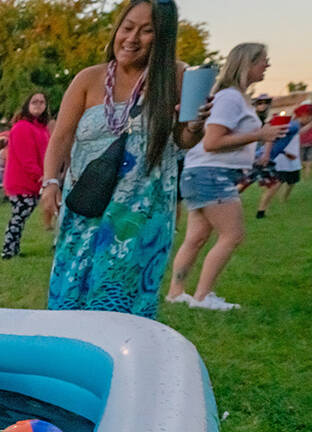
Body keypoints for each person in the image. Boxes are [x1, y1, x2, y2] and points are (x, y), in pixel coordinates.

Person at [42, 0, 209, 318]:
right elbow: (61, 137)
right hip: (86, 207)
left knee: (119, 304)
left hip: (141, 215)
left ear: (163, 37)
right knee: (69, 296)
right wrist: (50, 182)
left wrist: (196, 126)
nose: (132, 38)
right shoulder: (88, 80)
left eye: (147, 31)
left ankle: (119, 364)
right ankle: (67, 363)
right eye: (127, 27)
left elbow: (184, 140)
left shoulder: (176, 77)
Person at [165, 43, 279, 311]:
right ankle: (203, 297)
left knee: (196, 238)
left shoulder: (234, 97)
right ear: (247, 63)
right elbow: (212, 141)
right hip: (211, 173)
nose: (267, 66)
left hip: (201, 173)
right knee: (233, 234)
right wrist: (259, 135)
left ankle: (176, 293)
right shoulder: (231, 98)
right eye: (263, 60)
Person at [1, 92, 51, 259]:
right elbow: (26, 157)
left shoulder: (42, 128)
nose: (38, 105)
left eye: (42, 102)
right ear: (27, 105)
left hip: (34, 181)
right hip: (22, 181)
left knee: (21, 217)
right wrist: (40, 175)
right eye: (34, 102)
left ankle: (13, 248)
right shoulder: (22, 127)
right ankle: (8, 249)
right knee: (19, 216)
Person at [256, 102, 311, 217]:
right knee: (274, 184)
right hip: (278, 159)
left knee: (289, 181)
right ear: (304, 114)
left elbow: (298, 133)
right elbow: (273, 138)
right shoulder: (292, 125)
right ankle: (261, 211)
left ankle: (266, 208)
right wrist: (282, 153)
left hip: (285, 158)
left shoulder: (295, 126)